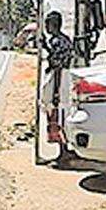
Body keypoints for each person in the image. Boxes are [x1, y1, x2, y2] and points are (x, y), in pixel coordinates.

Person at [42, 11, 74, 149]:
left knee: (56, 112)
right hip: (61, 79)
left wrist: (55, 90)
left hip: (59, 80)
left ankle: (62, 147)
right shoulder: (63, 39)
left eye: (48, 24)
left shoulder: (58, 41)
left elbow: (57, 62)